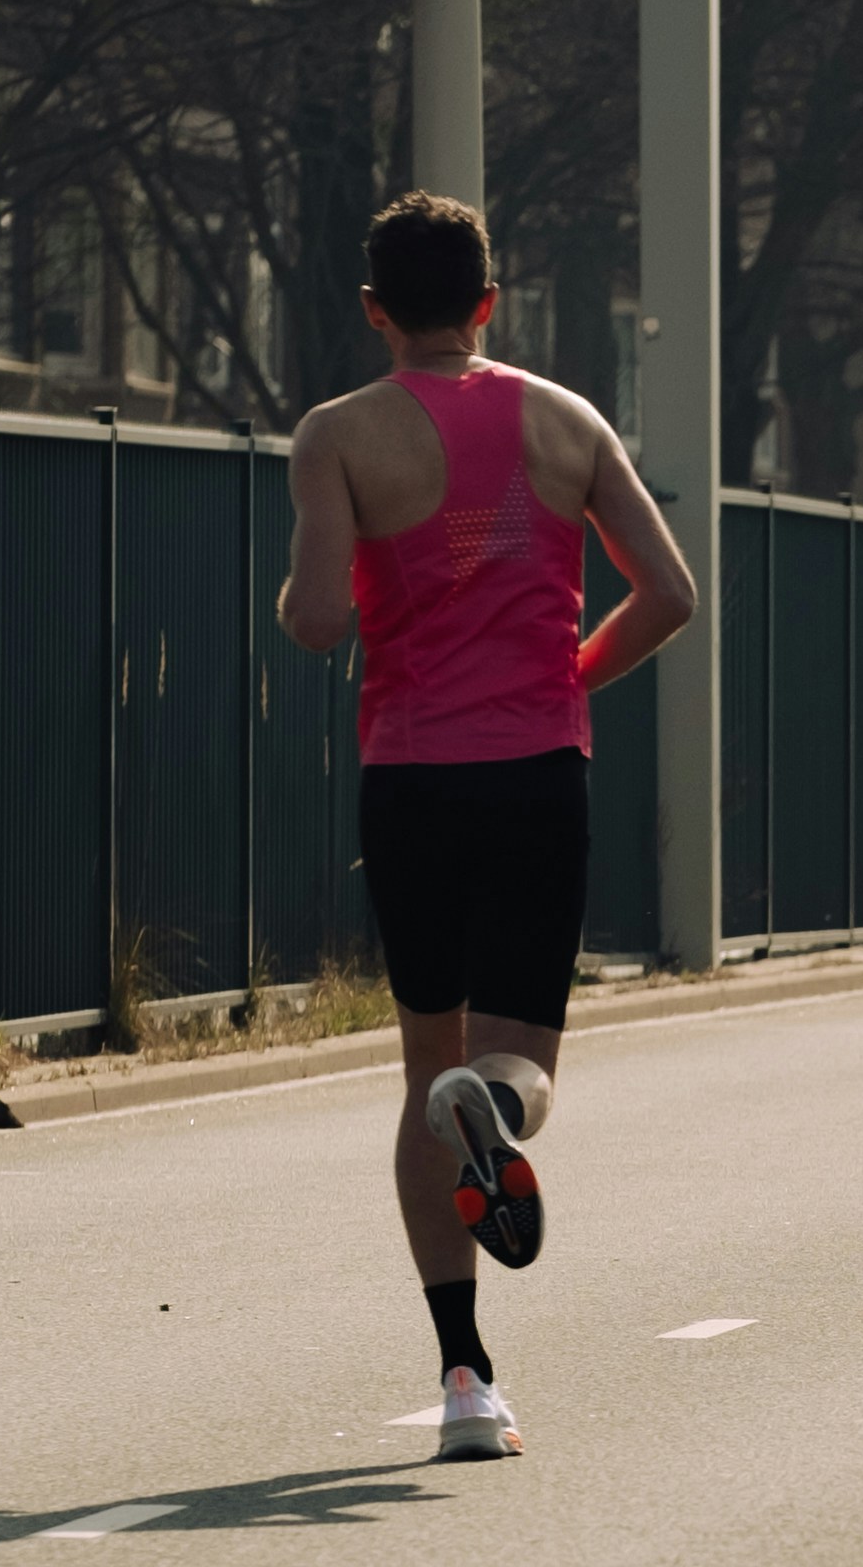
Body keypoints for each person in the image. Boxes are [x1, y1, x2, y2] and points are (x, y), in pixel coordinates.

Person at [280, 192, 697, 1457]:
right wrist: (565, 673)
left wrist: (320, 571)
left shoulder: (339, 433)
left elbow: (317, 622)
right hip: (538, 771)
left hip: (412, 779)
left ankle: (466, 1381)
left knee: (421, 1075)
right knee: (524, 1068)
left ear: (372, 309)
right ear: (487, 304)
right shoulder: (568, 421)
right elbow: (670, 594)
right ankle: (497, 1109)